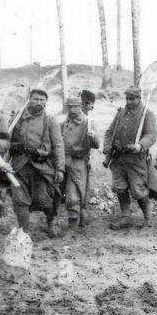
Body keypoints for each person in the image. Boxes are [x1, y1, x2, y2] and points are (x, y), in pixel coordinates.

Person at [0, 87, 65, 238]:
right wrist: (4, 162)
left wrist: (60, 169)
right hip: (19, 166)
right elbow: (6, 143)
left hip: (41, 167)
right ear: (29, 100)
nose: (39, 102)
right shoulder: (17, 119)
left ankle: (52, 220)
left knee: (43, 200)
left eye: (42, 100)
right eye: (35, 99)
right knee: (19, 200)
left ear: (46, 102)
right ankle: (24, 232)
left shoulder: (50, 120)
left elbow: (58, 145)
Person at [103, 85, 157, 229]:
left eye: (132, 99)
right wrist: (107, 147)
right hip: (118, 159)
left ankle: (148, 219)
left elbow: (151, 135)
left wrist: (139, 145)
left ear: (139, 98)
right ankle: (125, 217)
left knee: (138, 190)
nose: (129, 101)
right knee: (120, 188)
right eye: (127, 98)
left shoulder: (147, 114)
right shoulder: (121, 113)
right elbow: (110, 131)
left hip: (136, 160)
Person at [62, 95, 100, 230]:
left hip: (78, 162)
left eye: (75, 106)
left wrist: (93, 137)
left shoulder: (88, 122)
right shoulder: (64, 121)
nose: (72, 109)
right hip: (63, 161)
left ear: (80, 107)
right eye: (70, 106)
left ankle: (73, 224)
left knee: (75, 193)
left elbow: (96, 145)